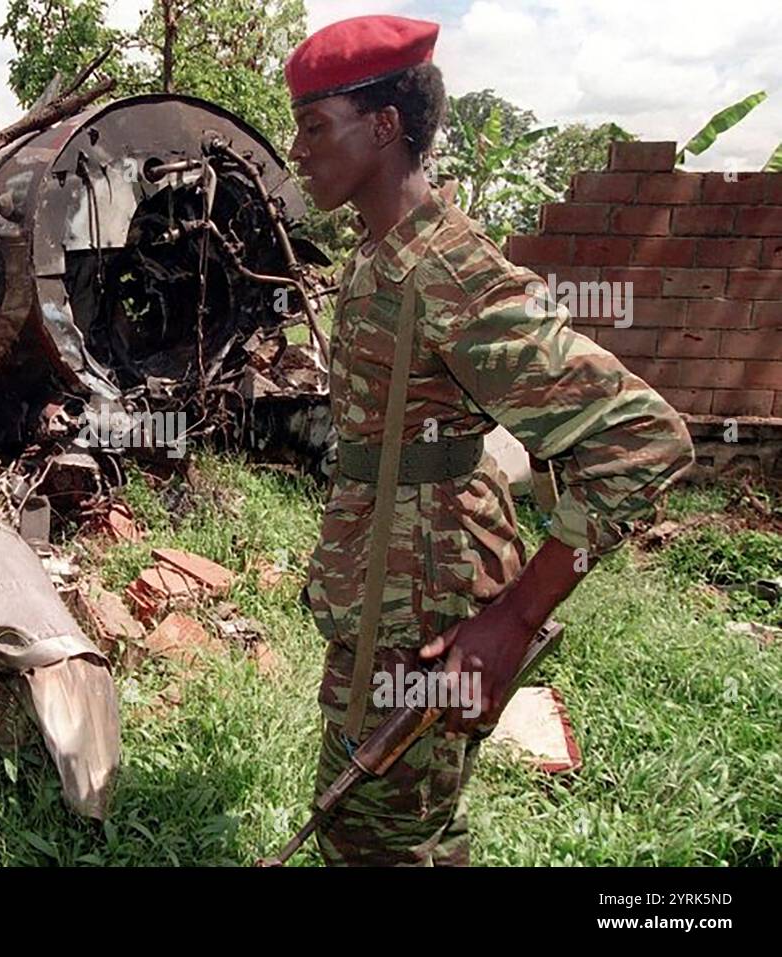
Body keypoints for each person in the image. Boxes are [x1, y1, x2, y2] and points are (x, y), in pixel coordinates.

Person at [285, 14, 695, 866]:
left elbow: (644, 439)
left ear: (385, 127)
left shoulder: (448, 274)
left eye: (314, 127)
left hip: (423, 619)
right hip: (384, 599)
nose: (297, 150)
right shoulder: (379, 255)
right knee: (414, 830)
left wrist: (513, 618)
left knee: (370, 838)